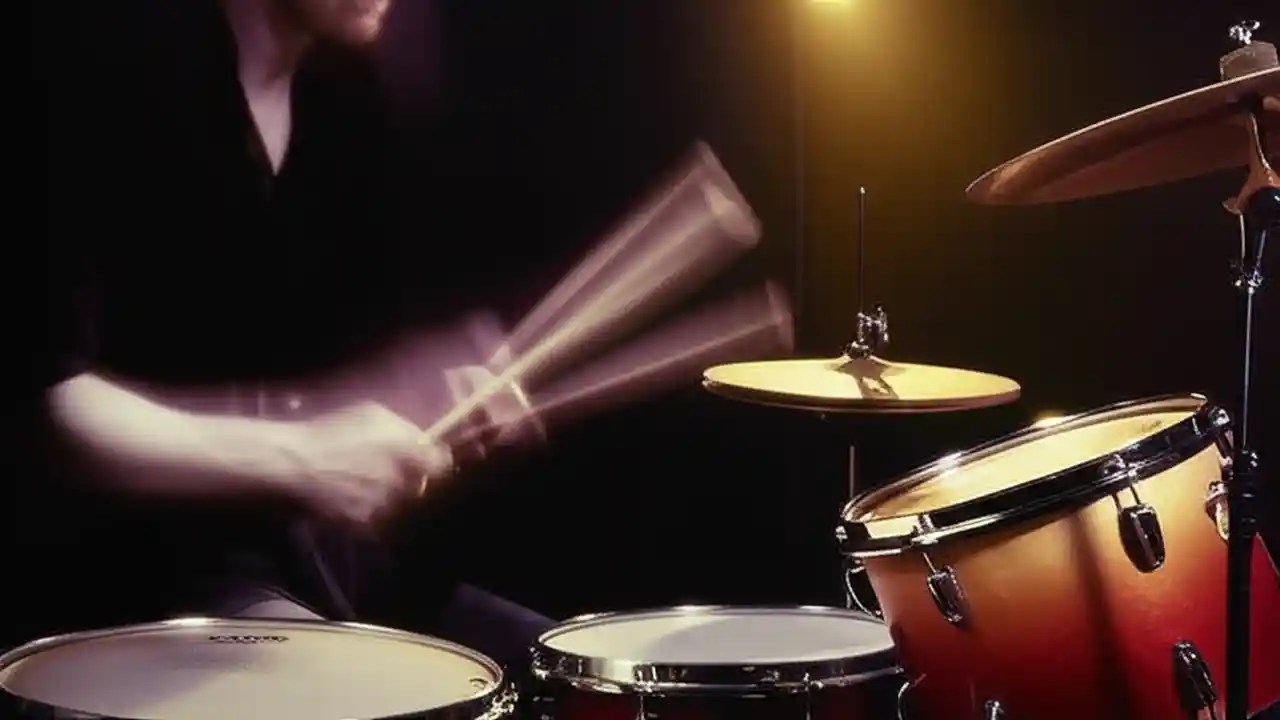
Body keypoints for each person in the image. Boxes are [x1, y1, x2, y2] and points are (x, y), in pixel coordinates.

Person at [21, 0, 554, 668]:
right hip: (125, 583)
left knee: (557, 668)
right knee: (350, 686)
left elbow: (300, 383)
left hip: (325, 571)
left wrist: (429, 393)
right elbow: (43, 410)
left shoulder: (344, 96)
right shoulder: (97, 65)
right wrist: (302, 455)